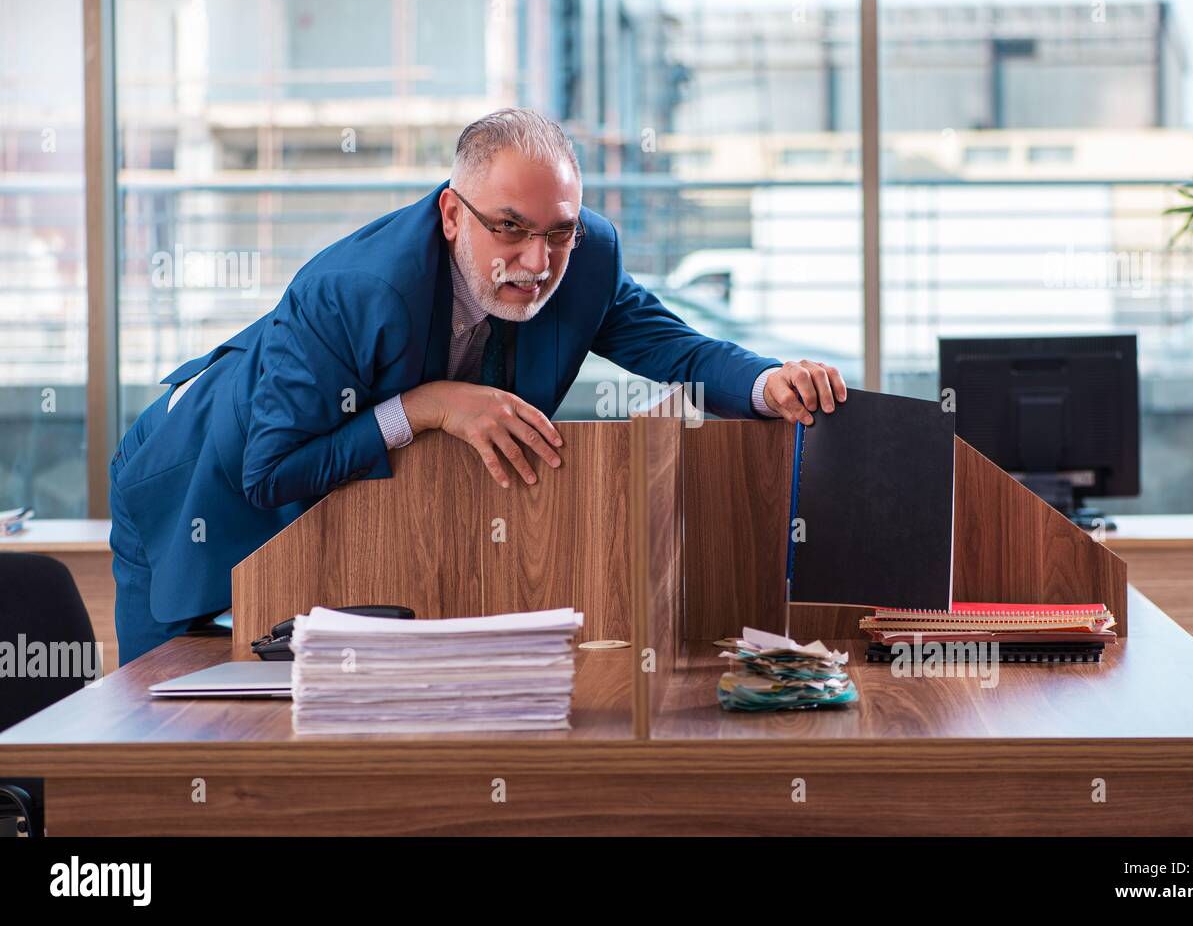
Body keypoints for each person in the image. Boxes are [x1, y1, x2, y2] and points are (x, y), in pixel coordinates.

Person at [109, 107, 847, 663]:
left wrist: (769, 381)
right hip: (192, 492)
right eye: (510, 228)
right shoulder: (351, 291)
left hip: (347, 532)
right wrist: (428, 407)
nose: (537, 260)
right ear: (454, 213)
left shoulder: (586, 260)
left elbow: (676, 349)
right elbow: (270, 468)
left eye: (559, 231)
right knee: (162, 743)